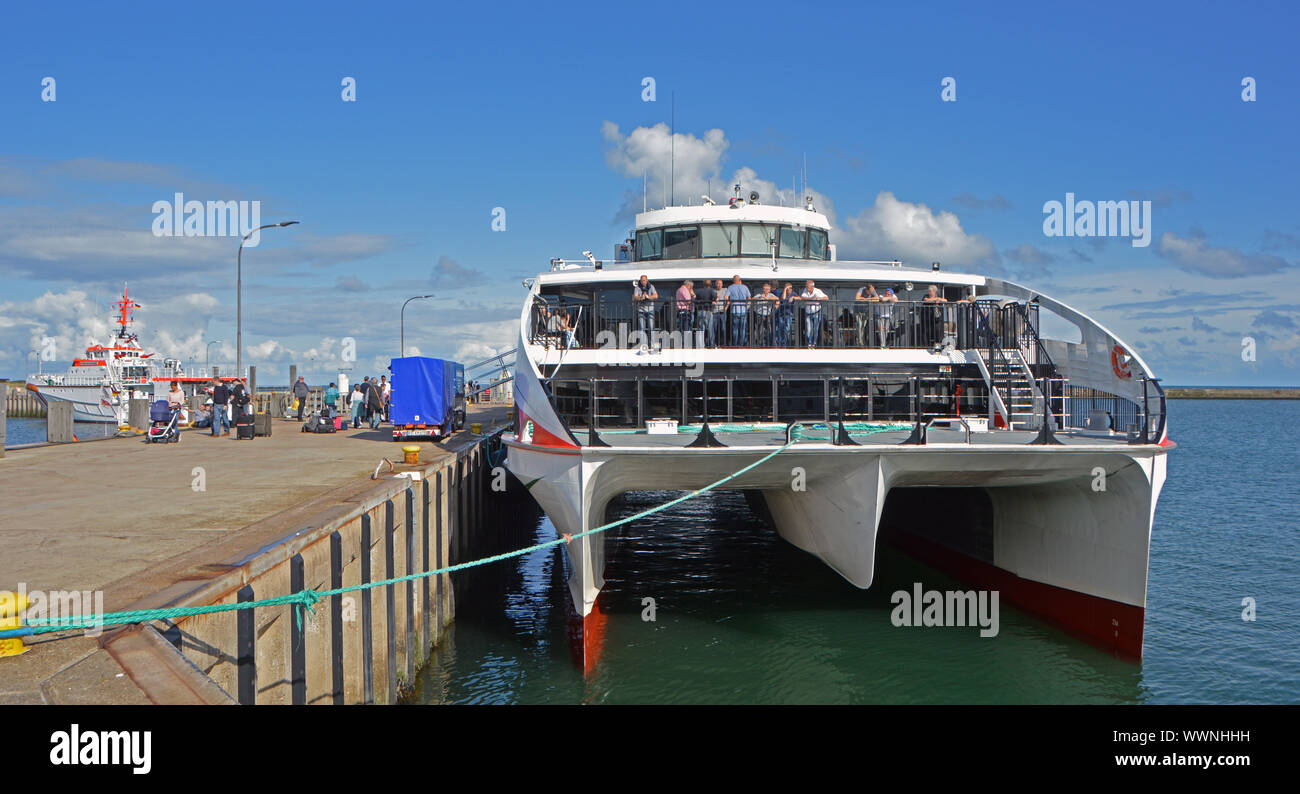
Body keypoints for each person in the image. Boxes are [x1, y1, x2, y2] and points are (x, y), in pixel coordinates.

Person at [795, 279, 829, 348]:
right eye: (806, 286)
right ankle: (809, 343)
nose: (807, 288)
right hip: (808, 312)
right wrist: (812, 298)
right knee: (808, 329)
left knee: (815, 329)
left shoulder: (818, 291)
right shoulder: (805, 291)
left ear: (812, 286)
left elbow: (826, 298)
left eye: (808, 287)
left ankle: (814, 343)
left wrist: (818, 298)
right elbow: (803, 297)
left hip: (816, 312)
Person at [633, 274, 658, 352]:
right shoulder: (637, 288)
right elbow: (635, 296)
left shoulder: (651, 287)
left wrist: (648, 297)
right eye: (642, 280)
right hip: (641, 310)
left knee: (651, 328)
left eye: (644, 280)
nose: (643, 282)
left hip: (650, 309)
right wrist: (641, 298)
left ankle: (653, 345)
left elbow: (656, 295)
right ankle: (643, 346)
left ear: (647, 280)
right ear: (640, 281)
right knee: (642, 328)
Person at [725, 274, 751, 346]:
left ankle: (735, 344)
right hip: (743, 310)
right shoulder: (745, 287)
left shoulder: (730, 287)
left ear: (733, 281)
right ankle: (741, 344)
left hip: (734, 310)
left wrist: (728, 303)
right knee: (742, 328)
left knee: (735, 329)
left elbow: (726, 297)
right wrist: (747, 306)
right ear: (740, 280)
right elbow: (749, 298)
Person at [753, 282, 778, 346]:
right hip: (759, 314)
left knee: (768, 329)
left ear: (769, 290)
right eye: (765, 289)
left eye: (767, 289)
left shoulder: (771, 295)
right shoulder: (759, 295)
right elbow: (751, 299)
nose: (766, 290)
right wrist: (760, 297)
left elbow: (777, 299)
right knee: (759, 330)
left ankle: (768, 343)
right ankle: (760, 343)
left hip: (768, 314)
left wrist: (768, 298)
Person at [693, 279, 716, 348]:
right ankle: (711, 344)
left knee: (700, 329)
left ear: (703, 284)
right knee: (710, 328)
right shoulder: (712, 291)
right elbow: (714, 298)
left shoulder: (699, 291)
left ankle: (701, 345)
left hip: (700, 311)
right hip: (708, 310)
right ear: (710, 284)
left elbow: (695, 301)